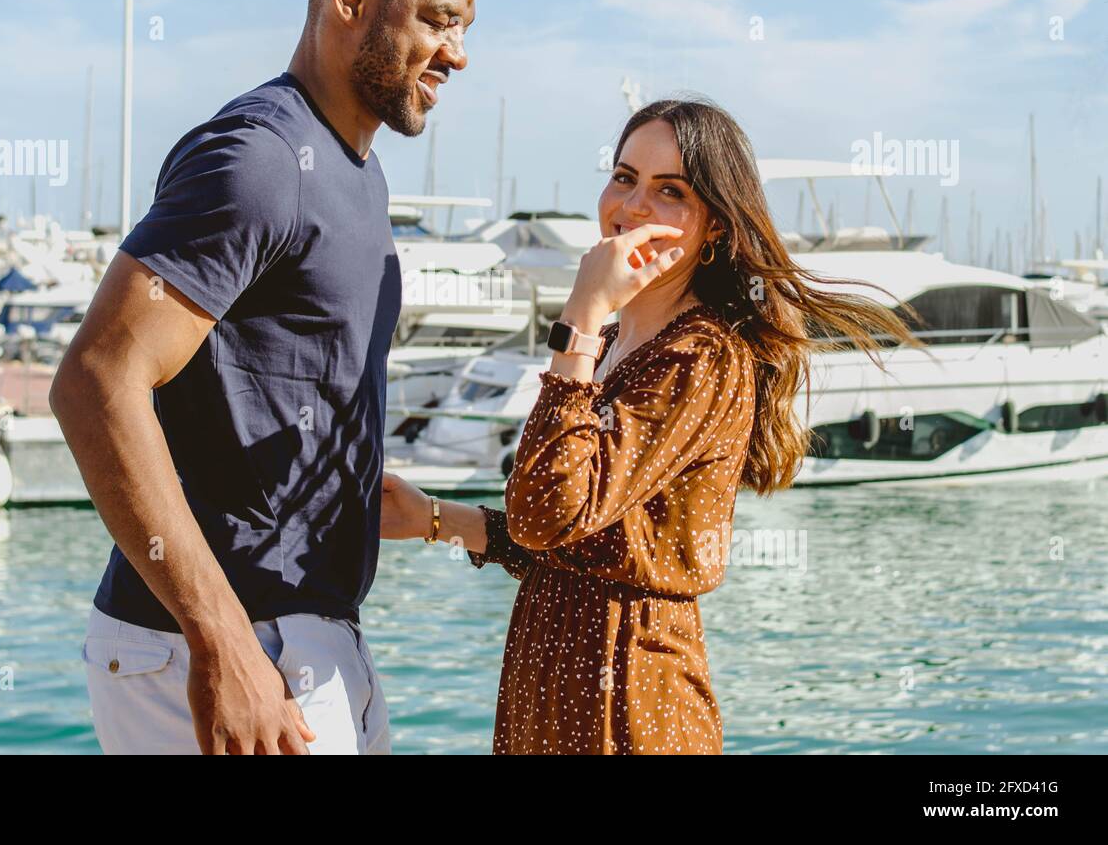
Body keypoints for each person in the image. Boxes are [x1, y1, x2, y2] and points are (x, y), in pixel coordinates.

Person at [51, 0, 490, 755]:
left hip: (308, 639)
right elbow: (96, 382)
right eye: (440, 21)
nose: (459, 55)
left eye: (466, 28)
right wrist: (224, 642)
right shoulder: (257, 158)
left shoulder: (355, 174)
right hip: (220, 647)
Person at [381, 97, 918, 754]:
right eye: (625, 177)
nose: (633, 207)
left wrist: (577, 314)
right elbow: (581, 544)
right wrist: (435, 518)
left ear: (714, 224)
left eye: (670, 192)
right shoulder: (612, 339)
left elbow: (548, 512)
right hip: (553, 683)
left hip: (628, 700)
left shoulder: (701, 356)